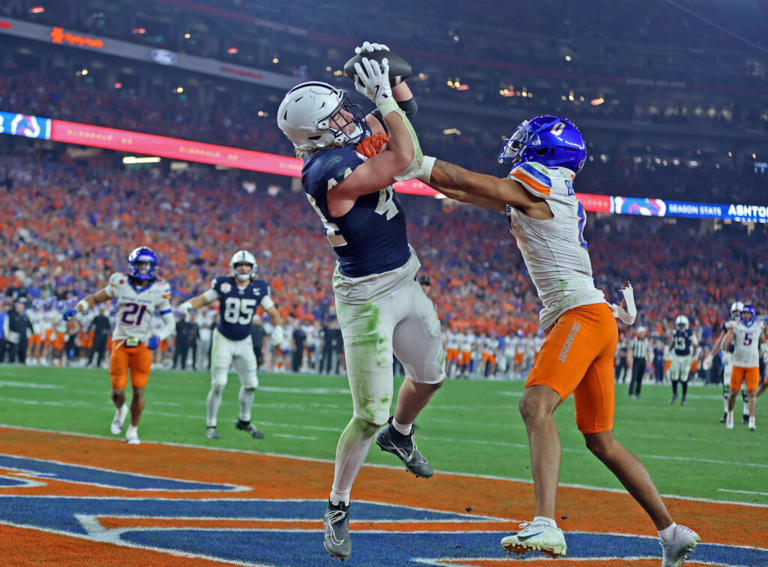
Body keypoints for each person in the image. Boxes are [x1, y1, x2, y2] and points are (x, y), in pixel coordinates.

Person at [402, 114, 700, 565]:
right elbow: (461, 191)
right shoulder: (548, 190)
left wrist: (411, 160)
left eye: (527, 140)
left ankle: (546, 522)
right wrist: (407, 170)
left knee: (535, 406)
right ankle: (672, 532)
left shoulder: (541, 179)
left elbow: (462, 179)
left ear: (546, 150)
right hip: (595, 317)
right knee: (601, 440)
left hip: (580, 315)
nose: (518, 146)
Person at [277, 42, 445, 561]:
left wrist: (389, 77)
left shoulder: (341, 141)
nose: (349, 116)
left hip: (405, 277)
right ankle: (337, 504)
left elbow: (406, 115)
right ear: (315, 134)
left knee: (431, 377)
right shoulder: (324, 169)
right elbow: (404, 157)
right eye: (336, 116)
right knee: (369, 414)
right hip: (367, 296)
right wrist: (384, 103)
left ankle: (402, 435)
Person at [63, 246, 175, 445]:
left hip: (142, 345)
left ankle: (133, 430)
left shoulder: (160, 289)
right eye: (141, 264)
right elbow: (95, 298)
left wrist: (159, 336)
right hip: (120, 343)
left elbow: (170, 323)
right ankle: (120, 409)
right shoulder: (120, 282)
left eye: (148, 265)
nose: (144, 268)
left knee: (139, 391)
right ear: (133, 265)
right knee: (117, 392)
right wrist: (78, 308)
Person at [178, 250, 284, 440]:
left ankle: (244, 420)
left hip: (244, 340)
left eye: (246, 265)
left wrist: (278, 328)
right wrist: (189, 305)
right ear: (233, 268)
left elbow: (273, 312)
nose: (243, 268)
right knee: (219, 383)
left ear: (252, 268)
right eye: (239, 265)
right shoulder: (223, 284)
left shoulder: (259, 288)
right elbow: (203, 299)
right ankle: (211, 424)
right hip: (224, 339)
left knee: (251, 384)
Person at [710, 303, 766, 431]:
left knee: (752, 393)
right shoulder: (735, 325)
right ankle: (730, 414)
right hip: (738, 364)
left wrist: (766, 351)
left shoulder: (758, 326)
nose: (745, 315)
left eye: (747, 313)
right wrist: (724, 351)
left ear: (752, 315)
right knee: (733, 392)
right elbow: (725, 341)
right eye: (743, 313)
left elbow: (763, 340)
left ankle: (751, 420)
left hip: (753, 364)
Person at [711, 302, 749, 423]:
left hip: (744, 357)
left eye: (739, 312)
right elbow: (721, 341)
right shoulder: (728, 325)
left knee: (745, 387)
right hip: (731, 357)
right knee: (727, 386)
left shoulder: (749, 325)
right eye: (735, 312)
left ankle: (746, 414)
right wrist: (715, 355)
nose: (737, 314)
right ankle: (727, 412)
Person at [668, 315, 698, 406]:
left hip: (686, 357)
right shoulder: (675, 332)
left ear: (686, 324)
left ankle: (684, 396)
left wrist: (693, 356)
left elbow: (695, 344)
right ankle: (675, 394)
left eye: (683, 324)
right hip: (676, 356)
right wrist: (669, 350)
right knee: (674, 376)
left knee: (684, 377)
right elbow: (673, 342)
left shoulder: (690, 333)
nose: (681, 326)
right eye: (679, 324)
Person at [628, 326, 651, 398]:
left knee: (640, 377)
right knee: (634, 376)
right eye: (641, 333)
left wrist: (649, 360)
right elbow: (630, 349)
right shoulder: (635, 340)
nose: (642, 334)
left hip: (643, 360)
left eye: (643, 333)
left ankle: (637, 393)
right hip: (636, 360)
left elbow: (647, 351)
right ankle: (630, 393)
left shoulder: (646, 341)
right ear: (638, 333)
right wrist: (629, 358)